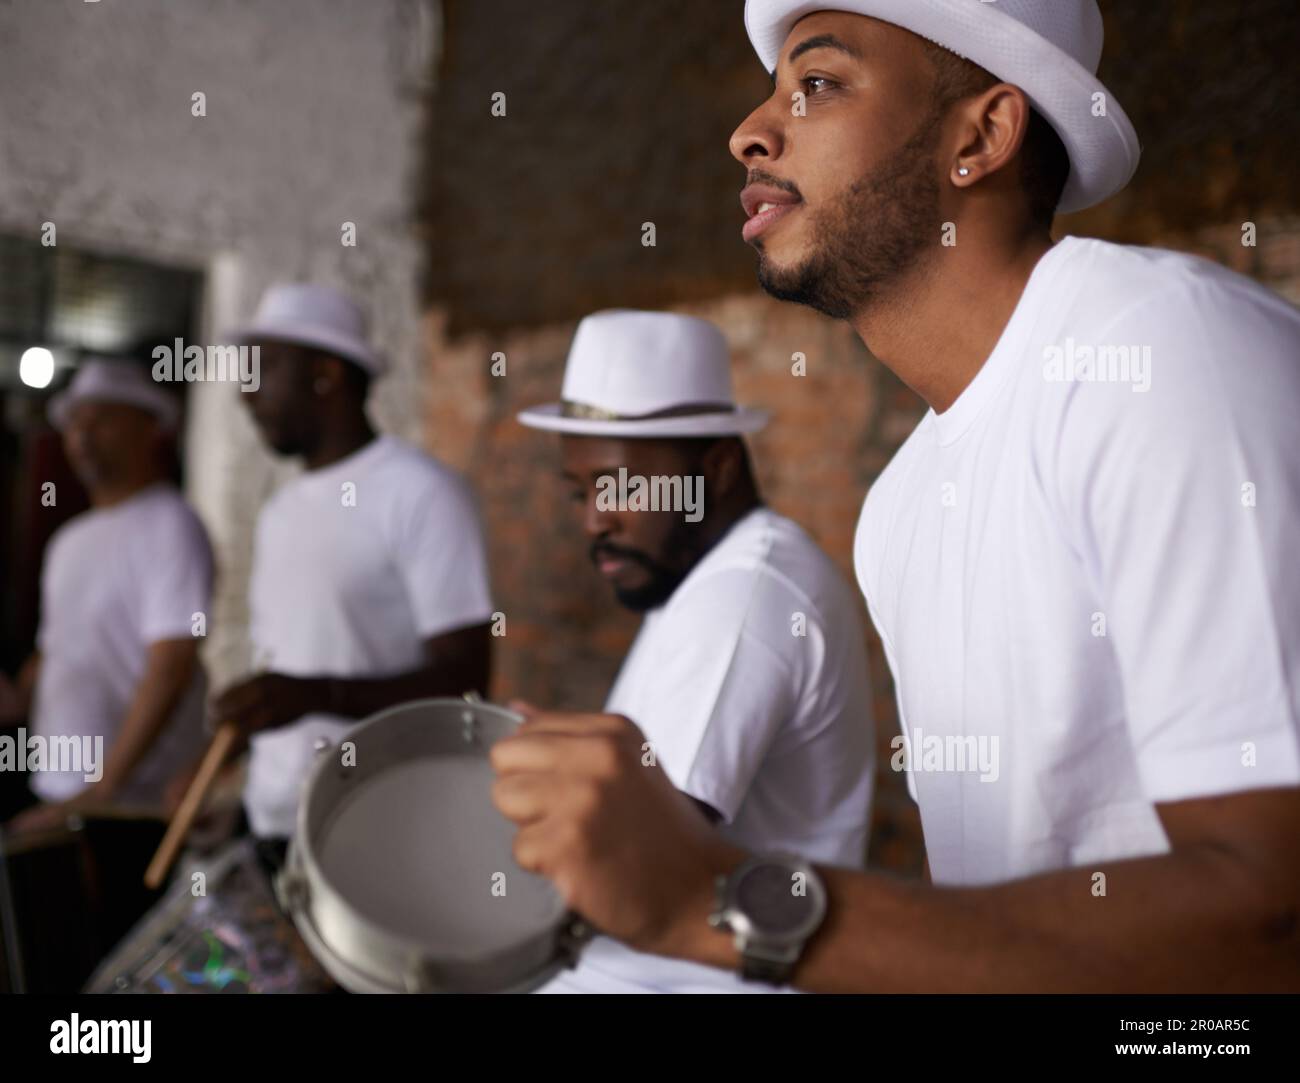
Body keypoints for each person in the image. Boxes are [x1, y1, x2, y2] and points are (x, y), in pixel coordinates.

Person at [490, 0, 1300, 991]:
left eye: (817, 85)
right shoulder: (905, 502)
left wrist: (726, 902)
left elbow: (1266, 916)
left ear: (979, 135)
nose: (748, 130)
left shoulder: (1157, 354)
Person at [516, 309, 873, 992]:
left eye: (619, 485)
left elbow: (632, 857)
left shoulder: (743, 594)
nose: (595, 519)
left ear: (717, 465)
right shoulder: (698, 577)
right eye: (580, 492)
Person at [212, 283, 494, 858]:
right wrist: (223, 766)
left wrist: (316, 694)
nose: (246, 394)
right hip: (272, 821)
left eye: (263, 369)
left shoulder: (421, 493)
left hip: (371, 833)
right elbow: (283, 669)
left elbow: (465, 683)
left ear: (325, 374)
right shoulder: (281, 509)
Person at [4, 359, 212, 832]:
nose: (84, 435)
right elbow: (57, 651)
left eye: (102, 419)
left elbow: (172, 665)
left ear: (149, 428)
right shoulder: (68, 541)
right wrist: (19, 692)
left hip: (125, 807)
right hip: (55, 788)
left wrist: (101, 789)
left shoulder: (170, 524)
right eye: (75, 422)